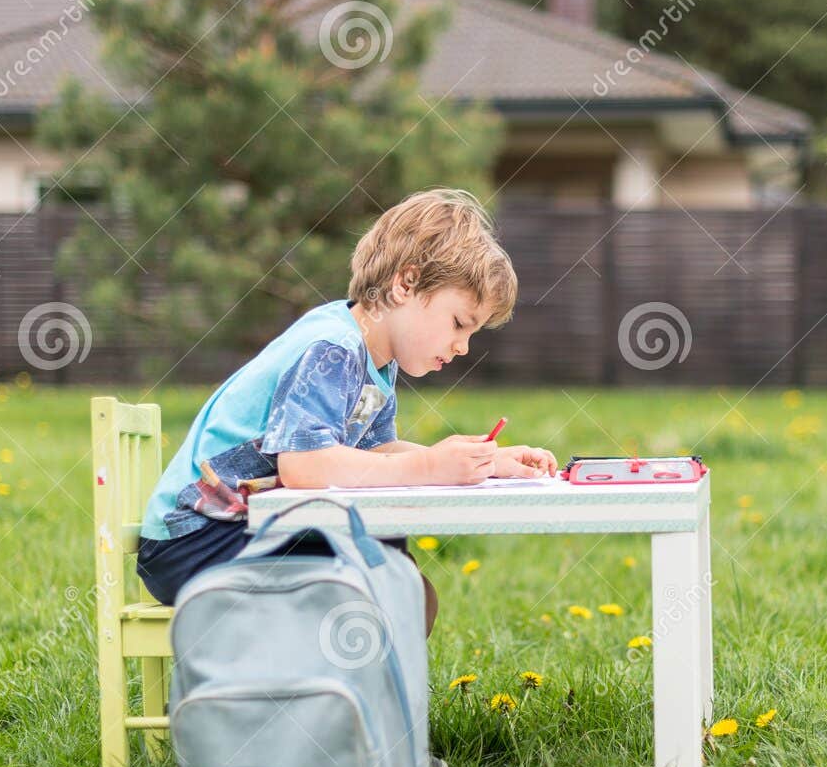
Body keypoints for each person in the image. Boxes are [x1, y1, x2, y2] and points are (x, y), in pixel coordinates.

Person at [135, 187, 558, 633]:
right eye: (458, 323)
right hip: (194, 540)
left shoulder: (374, 360)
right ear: (405, 284)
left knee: (393, 567)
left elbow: (375, 456)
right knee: (381, 577)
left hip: (239, 531)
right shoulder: (333, 349)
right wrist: (431, 465)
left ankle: (342, 696)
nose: (462, 346)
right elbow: (304, 465)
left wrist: (488, 463)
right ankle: (306, 696)